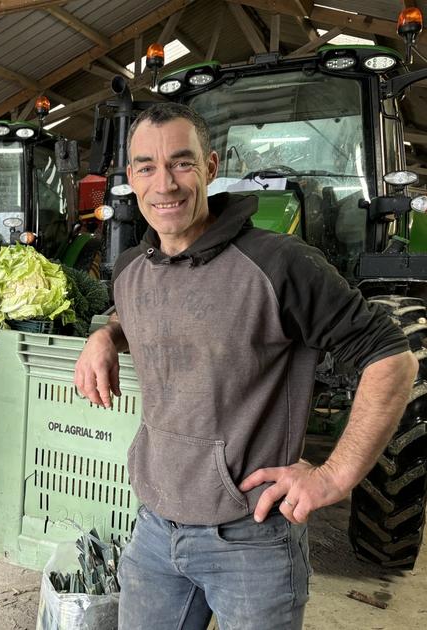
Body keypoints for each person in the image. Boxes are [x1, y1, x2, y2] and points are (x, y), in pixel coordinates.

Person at [73, 103, 417, 629]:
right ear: (130, 178)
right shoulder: (131, 268)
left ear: (210, 168)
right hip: (154, 533)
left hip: (251, 540)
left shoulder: (279, 263)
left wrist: (334, 476)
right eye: (146, 166)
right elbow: (152, 312)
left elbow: (392, 356)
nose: (164, 183)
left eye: (181, 163)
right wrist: (106, 333)